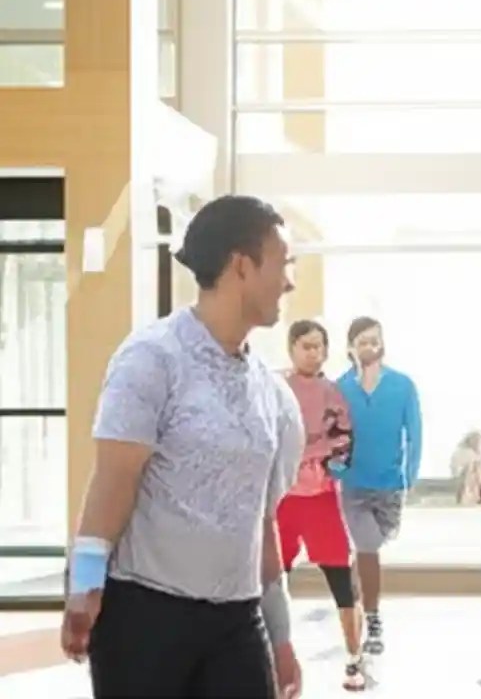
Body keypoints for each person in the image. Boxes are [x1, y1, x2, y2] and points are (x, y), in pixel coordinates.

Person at [61, 195, 305, 697]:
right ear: (242, 265)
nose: (289, 281)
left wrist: (280, 635)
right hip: (145, 618)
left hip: (237, 620)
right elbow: (112, 479)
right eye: (283, 264)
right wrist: (82, 587)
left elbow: (261, 520)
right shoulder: (152, 358)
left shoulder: (273, 393)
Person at [276, 319, 365, 690]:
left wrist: (311, 452)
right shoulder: (275, 387)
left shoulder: (332, 393)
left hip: (321, 499)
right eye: (306, 346)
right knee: (267, 581)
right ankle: (272, 657)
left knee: (342, 581)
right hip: (280, 499)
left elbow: (344, 444)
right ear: (292, 348)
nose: (313, 353)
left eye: (318, 346)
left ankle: (354, 658)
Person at [335, 315, 422, 655]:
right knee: (367, 548)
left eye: (374, 340)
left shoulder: (402, 385)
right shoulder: (340, 387)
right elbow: (333, 434)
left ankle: (356, 602)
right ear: (351, 348)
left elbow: (414, 432)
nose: (369, 346)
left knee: (372, 546)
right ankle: (372, 620)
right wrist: (337, 470)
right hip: (354, 485)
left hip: (390, 486)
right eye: (362, 341)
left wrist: (409, 476)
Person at [451, 430, 481, 505]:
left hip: (479, 483)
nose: (477, 443)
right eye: (475, 440)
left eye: (479, 441)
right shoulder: (463, 453)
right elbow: (456, 470)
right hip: (466, 482)